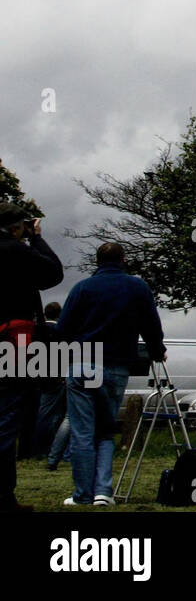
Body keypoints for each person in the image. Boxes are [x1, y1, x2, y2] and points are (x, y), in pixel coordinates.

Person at [57, 242, 165, 507]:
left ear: (97, 261)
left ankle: (82, 493)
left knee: (82, 432)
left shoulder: (82, 288)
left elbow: (63, 330)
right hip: (116, 364)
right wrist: (156, 350)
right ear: (123, 259)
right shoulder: (137, 287)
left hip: (82, 363)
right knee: (105, 431)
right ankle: (103, 491)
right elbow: (151, 323)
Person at [0, 204, 64, 512]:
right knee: (9, 416)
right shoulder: (16, 251)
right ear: (16, 228)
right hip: (14, 338)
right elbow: (52, 272)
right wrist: (37, 238)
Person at [34, 302, 67, 458]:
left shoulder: (37, 330)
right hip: (55, 377)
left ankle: (40, 447)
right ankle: (46, 449)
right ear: (59, 314)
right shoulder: (59, 332)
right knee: (53, 414)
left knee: (43, 412)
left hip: (37, 375)